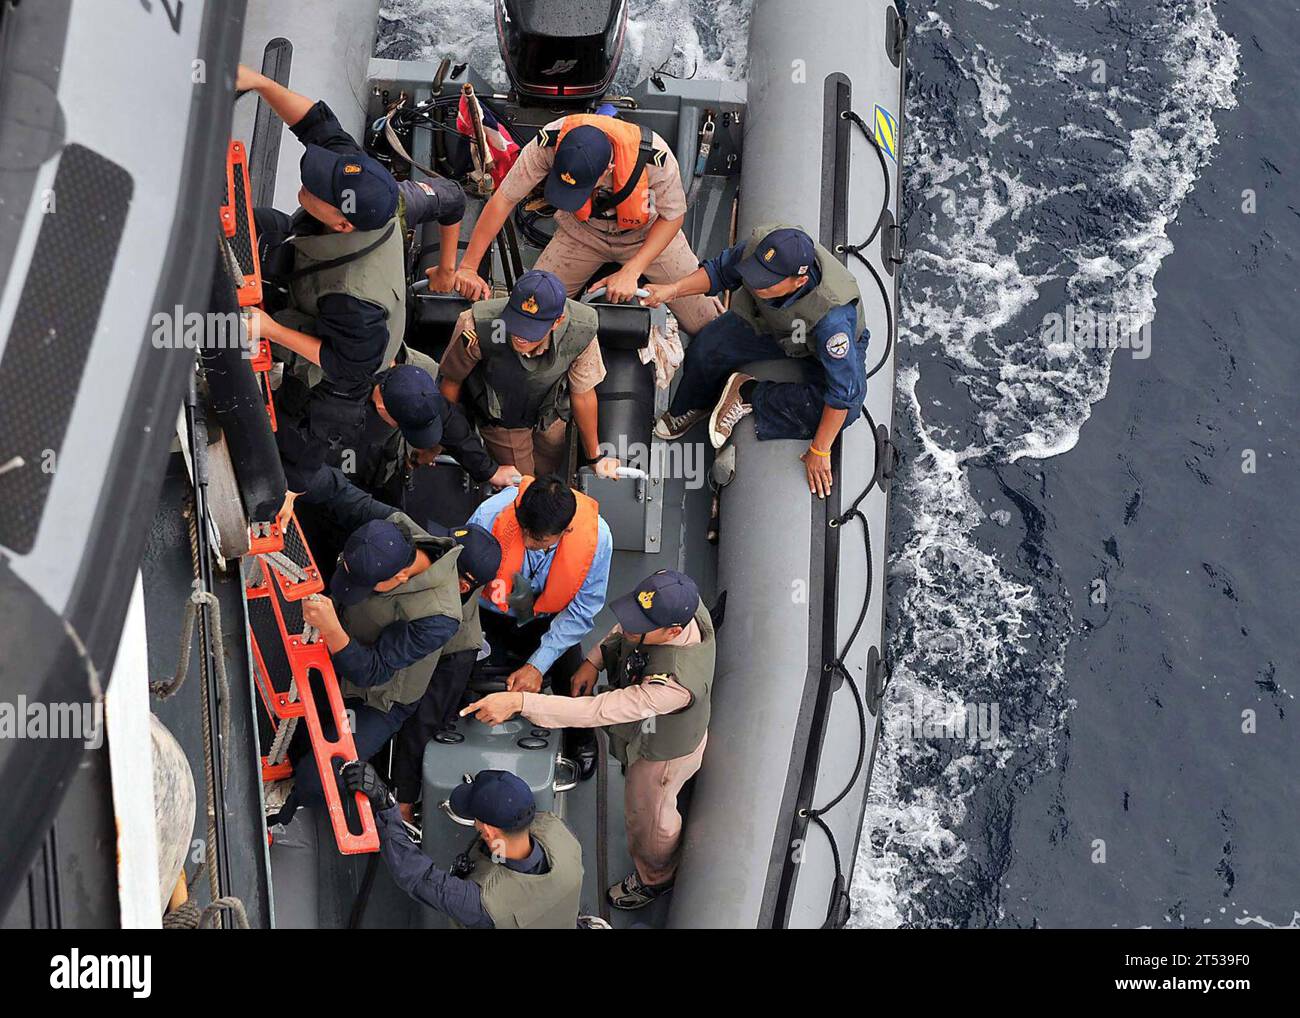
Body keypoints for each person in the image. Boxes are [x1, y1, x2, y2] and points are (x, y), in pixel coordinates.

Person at [235, 63, 465, 494]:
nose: (309, 184)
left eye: (316, 191)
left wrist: (271, 329)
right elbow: (451, 199)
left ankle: (287, 495)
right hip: (308, 262)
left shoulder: (355, 302)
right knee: (260, 225)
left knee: (299, 446)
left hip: (343, 350)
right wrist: (261, 84)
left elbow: (346, 365)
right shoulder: (372, 188)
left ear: (343, 225)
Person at [463, 570, 714, 909]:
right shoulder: (677, 606)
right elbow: (625, 630)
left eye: (640, 624)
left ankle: (654, 878)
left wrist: (519, 703)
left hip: (663, 753)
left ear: (672, 632)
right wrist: (593, 662)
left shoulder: (672, 686)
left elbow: (597, 711)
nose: (629, 625)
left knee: (649, 818)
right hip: (646, 731)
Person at [276, 505, 500, 820]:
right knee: (292, 721)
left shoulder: (453, 632)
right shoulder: (395, 541)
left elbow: (423, 713)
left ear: (463, 585)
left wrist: (404, 795)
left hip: (378, 699)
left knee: (319, 776)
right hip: (342, 651)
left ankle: (287, 804)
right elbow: (341, 496)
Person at [645, 223, 870, 499]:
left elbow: (842, 392)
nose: (754, 282)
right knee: (706, 348)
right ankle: (693, 406)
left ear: (798, 281)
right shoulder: (761, 248)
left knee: (846, 410)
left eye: (766, 280)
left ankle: (748, 392)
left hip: (813, 343)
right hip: (769, 323)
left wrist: (820, 450)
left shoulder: (833, 322)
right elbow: (719, 272)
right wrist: (672, 291)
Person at [449, 114, 720, 336]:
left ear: (608, 168)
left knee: (707, 325)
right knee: (530, 308)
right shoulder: (549, 141)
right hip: (581, 233)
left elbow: (673, 218)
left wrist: (631, 270)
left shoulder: (656, 158)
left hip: (646, 236)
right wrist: (469, 267)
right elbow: (503, 200)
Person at [468, 474, 613, 778]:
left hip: (551, 619)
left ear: (565, 531)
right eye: (524, 533)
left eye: (539, 541)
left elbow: (583, 610)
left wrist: (538, 664)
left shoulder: (598, 539)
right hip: (490, 613)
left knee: (574, 681)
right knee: (453, 671)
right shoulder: (488, 516)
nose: (527, 543)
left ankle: (579, 737)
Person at [342, 764, 583, 929]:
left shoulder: (479, 903)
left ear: (488, 830)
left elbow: (416, 877)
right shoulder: (558, 830)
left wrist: (385, 805)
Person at [438, 269, 620, 479]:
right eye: (517, 322)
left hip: (550, 409)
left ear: (557, 322)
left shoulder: (579, 330)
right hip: (504, 415)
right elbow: (452, 381)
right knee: (522, 483)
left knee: (548, 466)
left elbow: (583, 393)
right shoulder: (477, 325)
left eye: (532, 329)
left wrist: (594, 458)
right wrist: (444, 439)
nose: (520, 336)